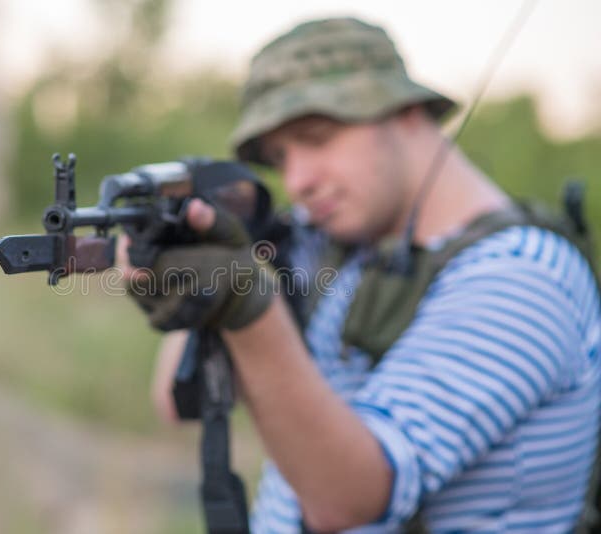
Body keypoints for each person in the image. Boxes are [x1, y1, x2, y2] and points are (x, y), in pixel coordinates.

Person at [123, 17, 601, 533]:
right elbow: (178, 398)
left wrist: (247, 305)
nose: (297, 180)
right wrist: (197, 252)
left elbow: (347, 501)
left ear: (406, 113)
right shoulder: (351, 249)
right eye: (280, 158)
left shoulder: (520, 277)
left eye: (317, 137)